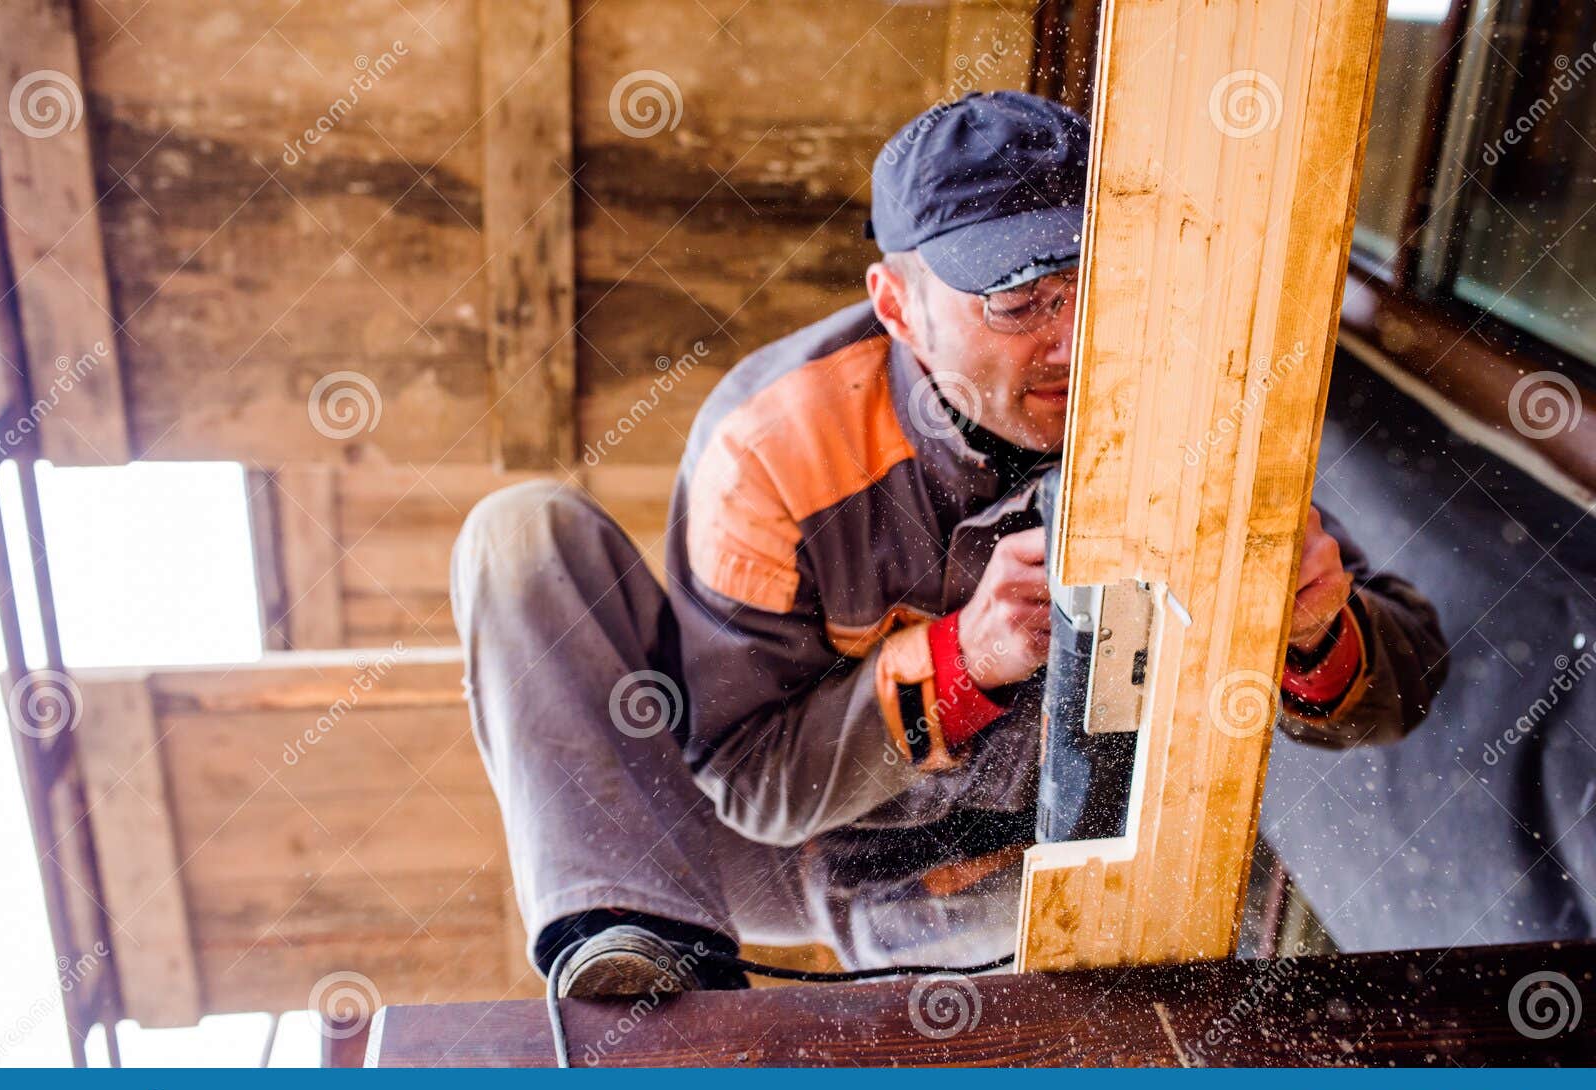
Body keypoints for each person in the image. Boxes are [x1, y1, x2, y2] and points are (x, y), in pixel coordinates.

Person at [450, 91, 1447, 997]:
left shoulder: (1180, 392)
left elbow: (1404, 687)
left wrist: (1314, 632)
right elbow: (749, 780)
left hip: (1056, 834)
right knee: (517, 538)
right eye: (1016, 305)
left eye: (1086, 288)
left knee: (1246, 1002)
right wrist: (961, 661)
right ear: (898, 307)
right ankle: (648, 963)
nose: (1069, 342)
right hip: (803, 846)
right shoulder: (770, 450)